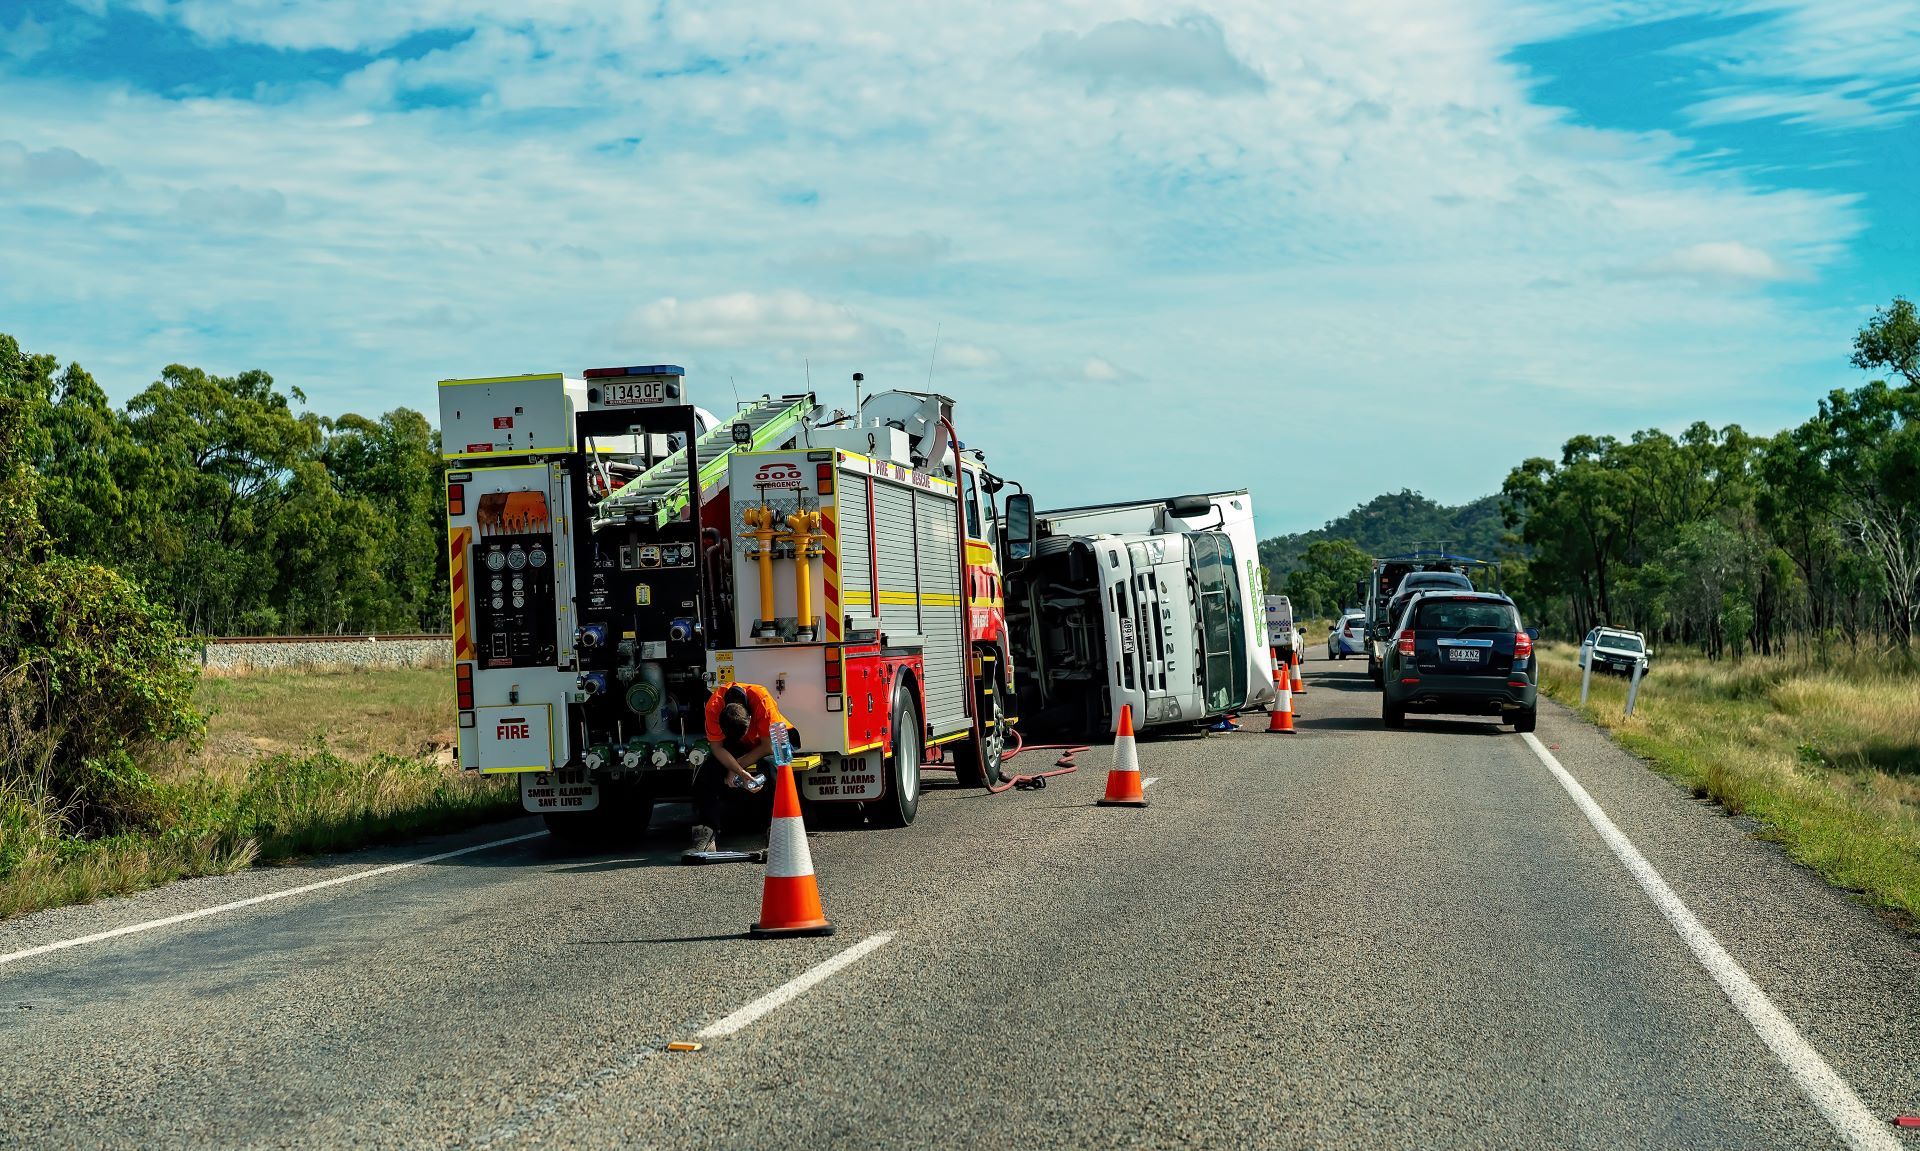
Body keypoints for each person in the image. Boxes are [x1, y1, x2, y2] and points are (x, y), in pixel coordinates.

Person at [691, 681, 798, 854]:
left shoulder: (762, 699)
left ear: (750, 717)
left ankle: (777, 833)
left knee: (773, 767)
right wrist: (738, 771)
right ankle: (707, 831)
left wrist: (735, 768)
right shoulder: (713, 706)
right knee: (708, 772)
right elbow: (717, 747)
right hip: (736, 745)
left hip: (771, 740)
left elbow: (767, 747)